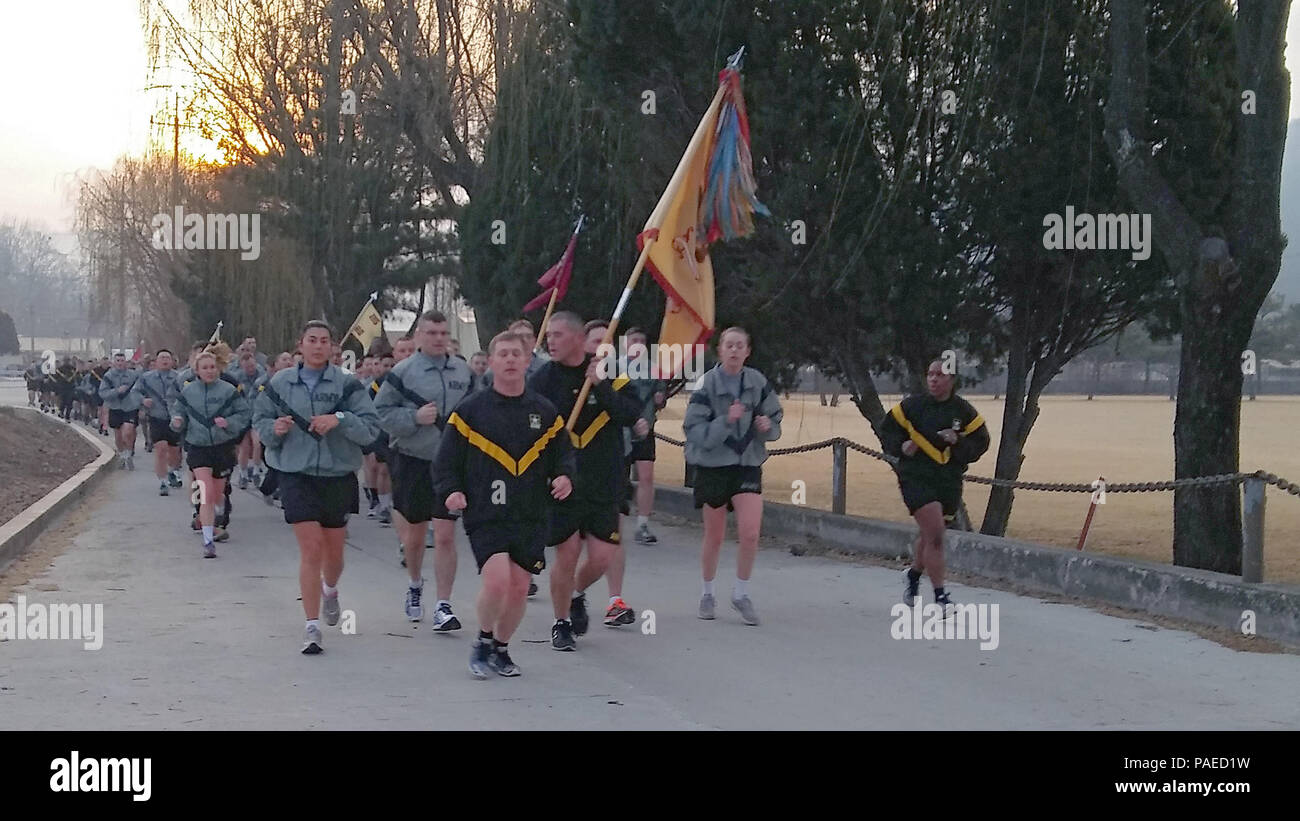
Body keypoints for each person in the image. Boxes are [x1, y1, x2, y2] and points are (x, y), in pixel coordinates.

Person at [435, 330, 575, 677]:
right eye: (504, 354)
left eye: (518, 354)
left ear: (528, 362)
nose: (511, 359)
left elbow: (564, 455)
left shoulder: (544, 412)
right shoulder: (470, 411)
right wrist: (451, 489)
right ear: (491, 362)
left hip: (530, 511)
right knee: (497, 581)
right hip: (487, 510)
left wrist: (564, 477)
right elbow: (445, 460)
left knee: (518, 587)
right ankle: (482, 642)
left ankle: (501, 647)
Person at [253, 320, 380, 654]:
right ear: (301, 344)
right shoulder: (279, 383)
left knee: (333, 554)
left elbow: (370, 430)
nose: (318, 346)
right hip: (296, 472)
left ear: (332, 347)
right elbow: (261, 421)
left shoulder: (348, 385)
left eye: (325, 340)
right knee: (311, 549)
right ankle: (311, 627)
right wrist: (275, 429)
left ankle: (331, 588)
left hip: (337, 473)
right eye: (312, 340)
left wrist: (339, 419)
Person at [527, 312, 643, 650]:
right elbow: (528, 421)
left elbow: (630, 414)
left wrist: (601, 386)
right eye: (549, 335)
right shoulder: (544, 378)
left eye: (558, 335)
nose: (551, 340)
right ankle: (560, 622)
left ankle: (576, 594)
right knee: (566, 552)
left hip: (604, 477)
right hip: (563, 478)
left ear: (579, 339)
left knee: (604, 556)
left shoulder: (607, 371)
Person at [374, 312, 475, 631]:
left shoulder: (463, 370)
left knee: (445, 535)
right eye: (431, 332)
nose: (438, 338)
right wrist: (414, 418)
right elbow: (381, 413)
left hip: (451, 465)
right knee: (416, 537)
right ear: (419, 336)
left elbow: (477, 408)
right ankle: (415, 584)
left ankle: (444, 605)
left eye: (443, 332)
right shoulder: (403, 372)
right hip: (413, 460)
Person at [682, 327, 783, 626]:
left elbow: (775, 416)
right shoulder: (707, 384)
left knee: (751, 532)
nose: (735, 351)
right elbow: (694, 430)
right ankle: (707, 592)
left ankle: (741, 593)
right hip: (713, 464)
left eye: (740, 345)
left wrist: (767, 426)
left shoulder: (757, 381)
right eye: (729, 345)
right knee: (714, 535)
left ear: (748, 351)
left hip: (747, 462)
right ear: (720, 350)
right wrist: (728, 420)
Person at [878, 358, 990, 616]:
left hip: (948, 480)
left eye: (940, 375)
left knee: (931, 535)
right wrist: (901, 447)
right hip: (915, 476)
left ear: (951, 380)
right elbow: (889, 431)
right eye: (930, 374)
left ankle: (914, 574)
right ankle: (941, 597)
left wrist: (958, 442)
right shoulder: (912, 406)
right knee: (937, 534)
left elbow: (981, 442)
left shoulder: (963, 411)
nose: (933, 379)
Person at [171, 350, 250, 557]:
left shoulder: (228, 390)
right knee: (205, 492)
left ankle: (211, 522)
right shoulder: (188, 391)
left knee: (216, 494)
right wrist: (177, 421)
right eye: (204, 368)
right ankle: (208, 541)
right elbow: (178, 410)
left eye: (212, 367)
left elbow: (244, 414)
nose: (209, 371)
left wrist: (229, 423)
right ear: (196, 371)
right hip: (198, 446)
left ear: (218, 368)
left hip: (222, 447)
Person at [621, 327, 667, 545]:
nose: (638, 344)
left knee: (646, 476)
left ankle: (642, 523)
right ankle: (613, 521)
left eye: (642, 340)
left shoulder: (654, 369)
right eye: (634, 340)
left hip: (645, 429)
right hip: (620, 430)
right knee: (618, 477)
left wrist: (660, 398)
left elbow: (661, 396)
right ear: (625, 343)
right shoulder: (614, 367)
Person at [133, 349, 184, 495]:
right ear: (156, 362)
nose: (165, 360)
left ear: (172, 361)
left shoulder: (179, 377)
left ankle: (173, 471)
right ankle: (162, 482)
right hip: (156, 417)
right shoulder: (146, 378)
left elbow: (188, 393)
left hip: (175, 418)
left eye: (167, 357)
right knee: (161, 449)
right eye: (162, 358)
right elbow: (135, 392)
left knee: (174, 452)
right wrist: (143, 400)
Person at [99, 352, 142, 469]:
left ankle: (129, 453)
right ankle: (122, 454)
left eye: (122, 361)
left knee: (128, 432)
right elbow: (103, 393)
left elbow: (141, 387)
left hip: (130, 407)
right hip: (115, 407)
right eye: (117, 361)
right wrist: (117, 391)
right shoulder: (108, 376)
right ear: (113, 362)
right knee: (118, 436)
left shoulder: (133, 375)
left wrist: (140, 401)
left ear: (126, 362)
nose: (120, 363)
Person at [231, 353, 268, 489]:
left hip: (257, 415)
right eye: (247, 367)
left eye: (252, 365)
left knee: (258, 443)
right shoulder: (237, 378)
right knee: (244, 447)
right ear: (242, 366)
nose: (250, 369)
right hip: (243, 416)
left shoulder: (262, 375)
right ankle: (243, 474)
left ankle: (256, 470)